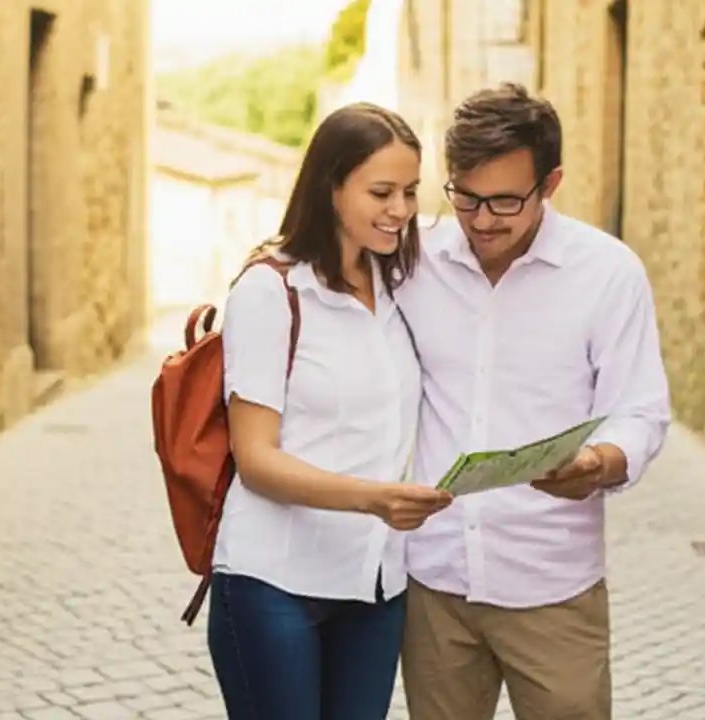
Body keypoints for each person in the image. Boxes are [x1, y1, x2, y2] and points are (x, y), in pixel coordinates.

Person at [396, 83, 672, 720]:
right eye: (466, 197)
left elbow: (642, 407)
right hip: (435, 584)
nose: (483, 220)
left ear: (551, 184)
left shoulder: (608, 273)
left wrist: (599, 463)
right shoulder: (414, 261)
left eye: (505, 201)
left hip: (553, 587)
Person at [208, 102, 453, 720]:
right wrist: (373, 498)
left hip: (374, 584)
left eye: (409, 191)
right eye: (380, 192)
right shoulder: (272, 291)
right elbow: (256, 459)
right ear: (330, 186)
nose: (400, 209)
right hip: (273, 582)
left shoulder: (402, 285)